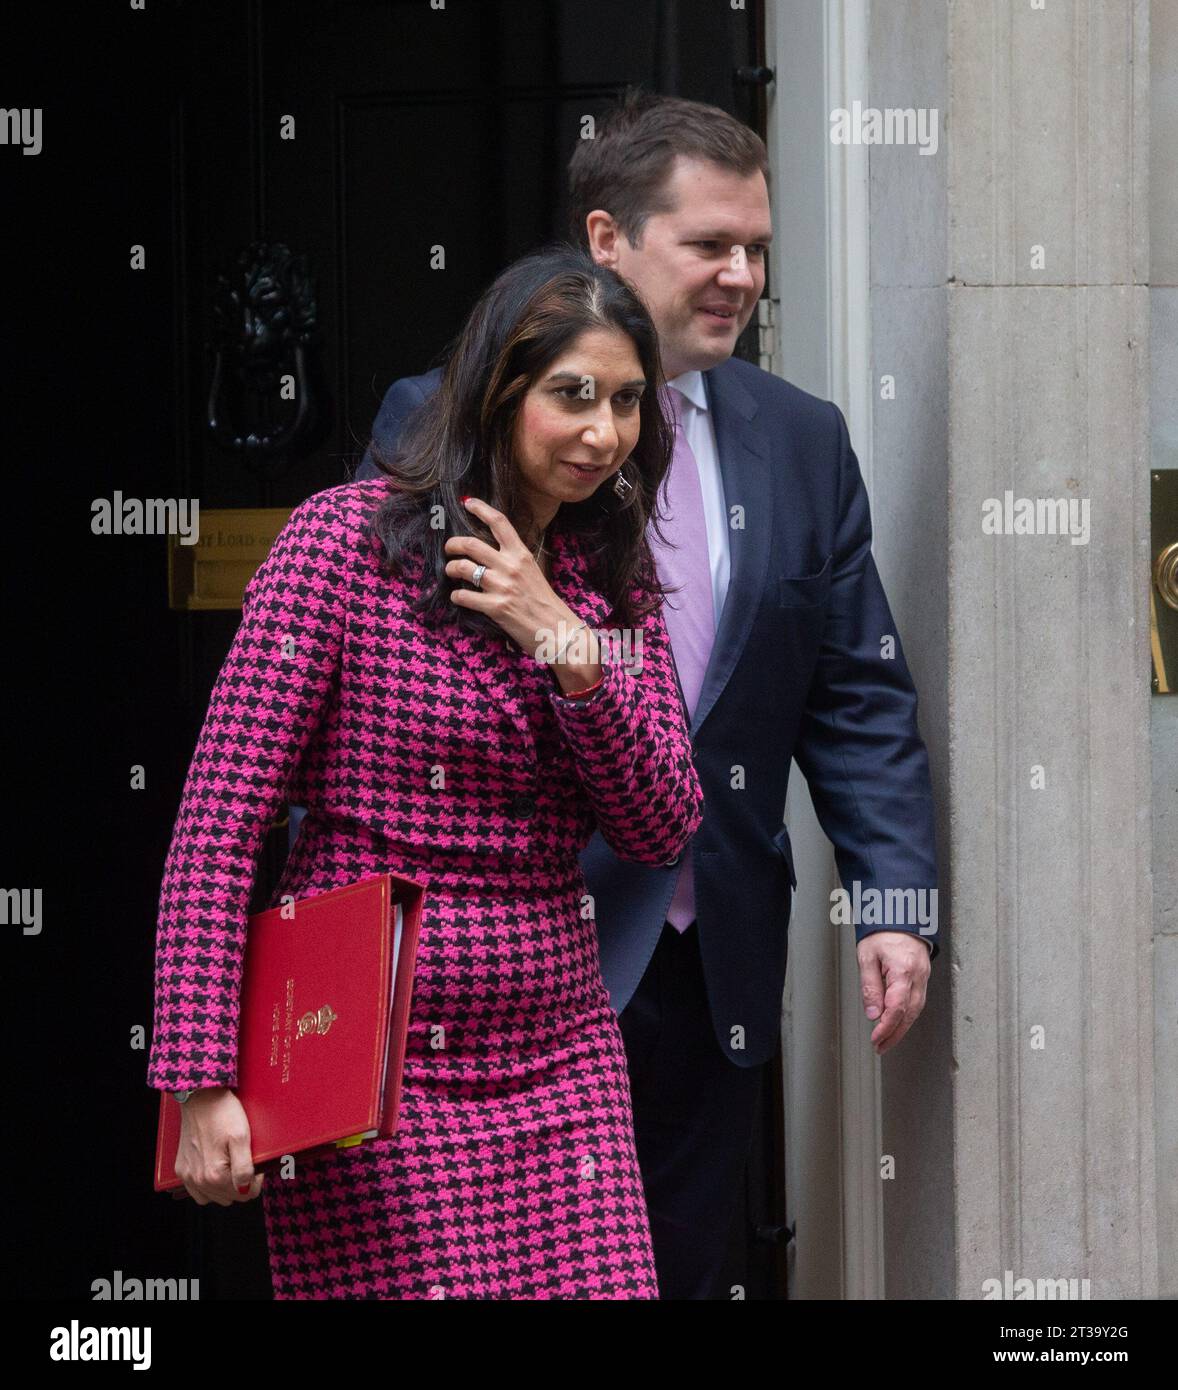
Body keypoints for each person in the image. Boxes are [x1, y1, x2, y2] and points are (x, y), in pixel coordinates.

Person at [355, 88, 940, 1300]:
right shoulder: (440, 422)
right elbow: (365, 708)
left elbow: (854, 693)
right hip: (496, 962)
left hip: (708, 951)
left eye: (758, 250)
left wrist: (891, 899)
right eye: (710, 244)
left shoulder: (802, 439)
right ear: (608, 240)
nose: (741, 274)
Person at [145, 245, 705, 1300]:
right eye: (572, 395)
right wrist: (199, 1079)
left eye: (627, 402)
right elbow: (220, 821)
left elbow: (660, 823)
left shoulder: (607, 581)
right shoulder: (342, 547)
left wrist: (566, 650)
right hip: (370, 1055)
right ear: (499, 392)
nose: (603, 432)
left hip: (560, 1053)